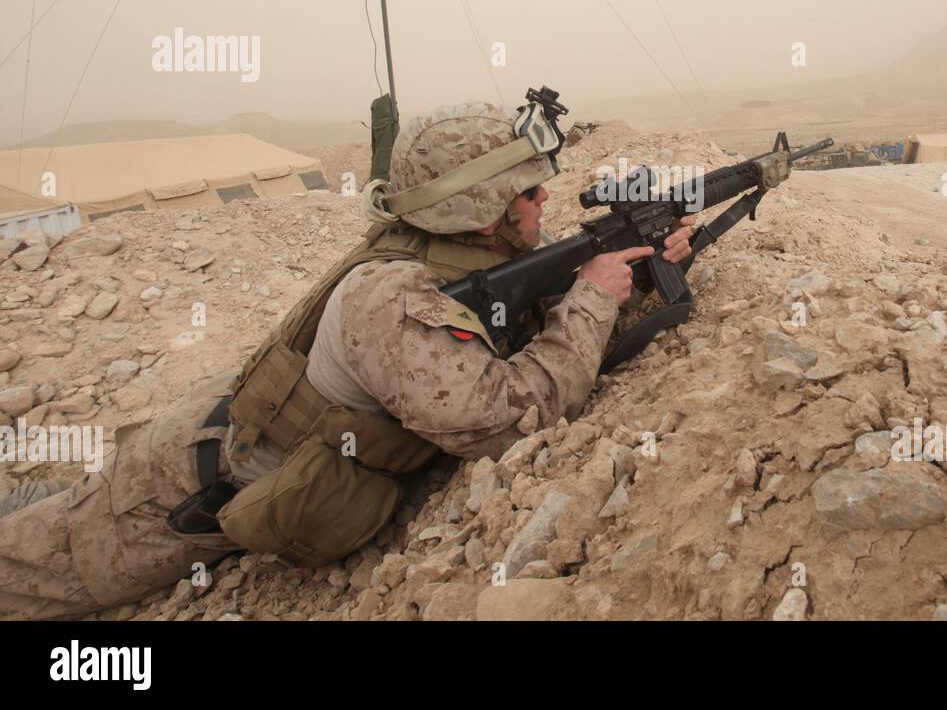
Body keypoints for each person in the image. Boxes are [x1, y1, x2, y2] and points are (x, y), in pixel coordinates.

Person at [0, 99, 693, 620]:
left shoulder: (458, 246)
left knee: (51, 510)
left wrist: (621, 266)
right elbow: (512, 418)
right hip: (180, 487)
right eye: (531, 193)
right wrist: (596, 300)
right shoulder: (391, 300)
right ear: (484, 209)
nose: (546, 203)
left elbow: (519, 312)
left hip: (226, 430)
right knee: (32, 572)